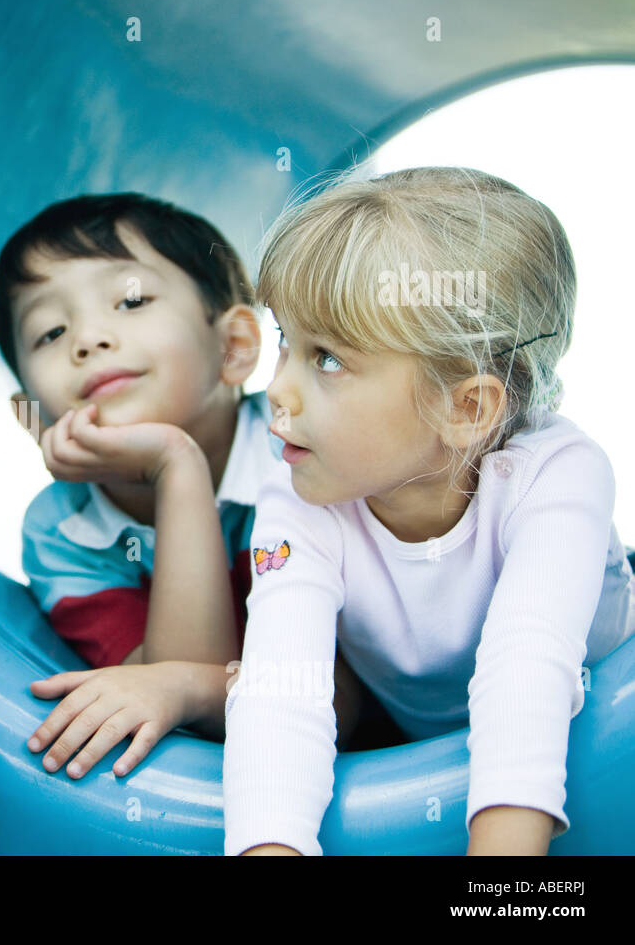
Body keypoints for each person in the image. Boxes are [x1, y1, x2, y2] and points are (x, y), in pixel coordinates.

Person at [224, 166, 635, 856]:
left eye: (326, 359)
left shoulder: (558, 473)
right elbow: (280, 692)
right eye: (285, 343)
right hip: (425, 734)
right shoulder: (300, 494)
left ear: (465, 407)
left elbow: (527, 660)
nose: (278, 390)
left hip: (604, 718)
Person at [0, 193, 367, 781]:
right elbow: (166, 694)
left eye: (131, 300)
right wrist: (177, 467)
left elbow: (348, 699)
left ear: (234, 348)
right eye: (50, 331)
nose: (87, 339)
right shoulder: (62, 531)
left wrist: (190, 686)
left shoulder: (308, 458)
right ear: (31, 415)